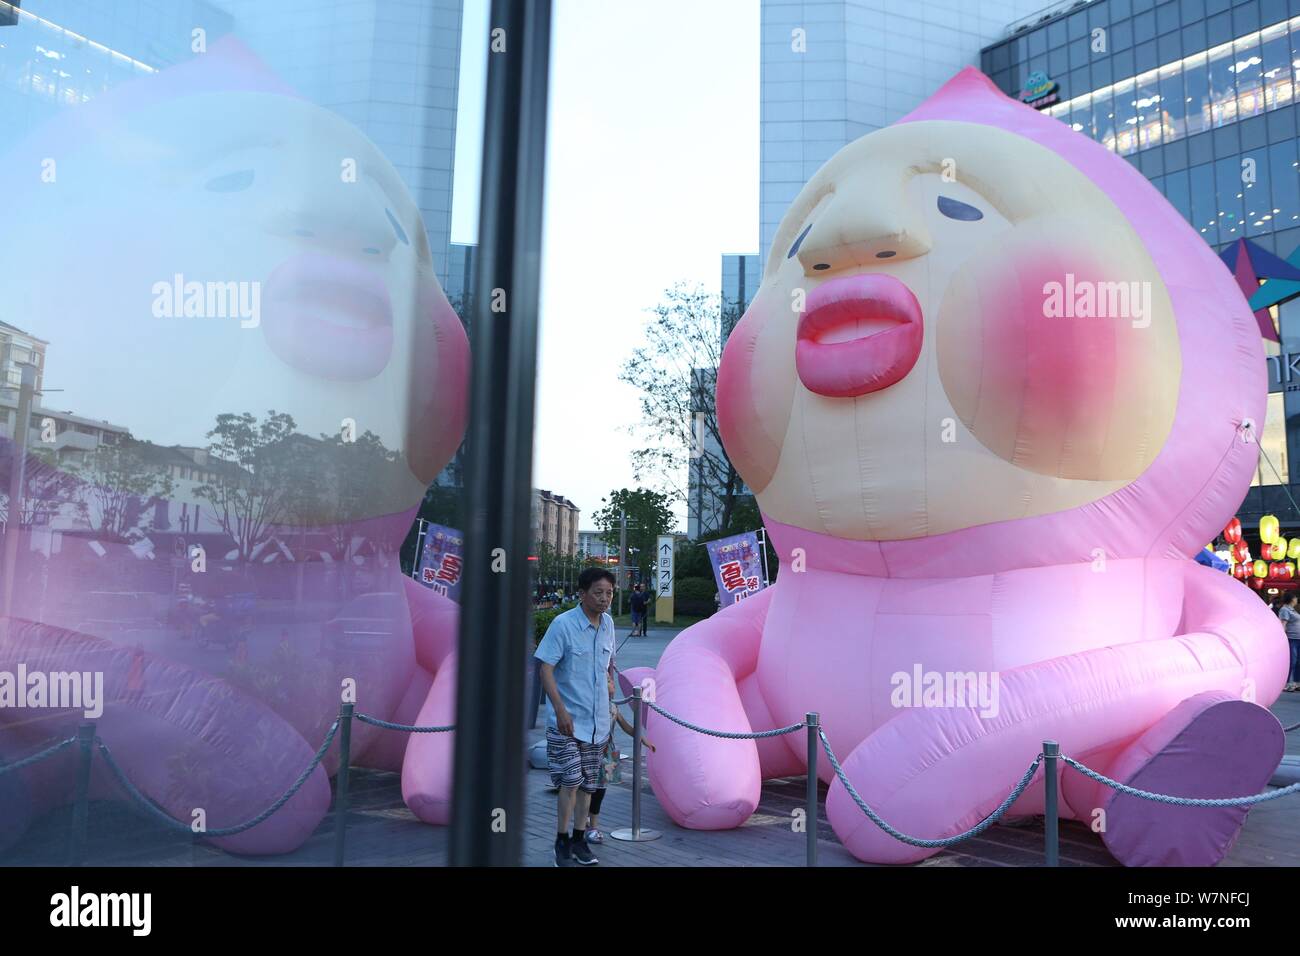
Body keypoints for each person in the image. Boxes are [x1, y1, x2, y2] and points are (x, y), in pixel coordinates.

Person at [536, 567, 617, 866]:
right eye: (598, 592)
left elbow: (608, 663)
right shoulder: (563, 625)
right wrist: (559, 710)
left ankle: (580, 840)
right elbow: (545, 668)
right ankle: (561, 840)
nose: (605, 599)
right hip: (567, 721)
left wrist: (609, 680)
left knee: (588, 784)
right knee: (570, 781)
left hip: (598, 721)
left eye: (609, 593)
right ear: (582, 594)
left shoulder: (608, 624)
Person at [581, 674, 655, 843]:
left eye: (610, 679)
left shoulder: (613, 707)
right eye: (607, 680)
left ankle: (593, 825)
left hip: (608, 754)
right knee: (587, 789)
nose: (612, 682)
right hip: (592, 752)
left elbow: (626, 726)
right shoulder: (591, 705)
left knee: (600, 791)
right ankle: (586, 823)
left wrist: (642, 738)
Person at [1281, 592, 1300, 692]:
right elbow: (1283, 624)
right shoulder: (1285, 609)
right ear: (1291, 599)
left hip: (1298, 639)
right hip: (1292, 639)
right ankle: (1287, 684)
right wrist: (1283, 638)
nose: (1297, 599)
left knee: (1298, 662)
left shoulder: (1293, 610)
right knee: (1291, 662)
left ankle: (1297, 683)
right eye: (1295, 597)